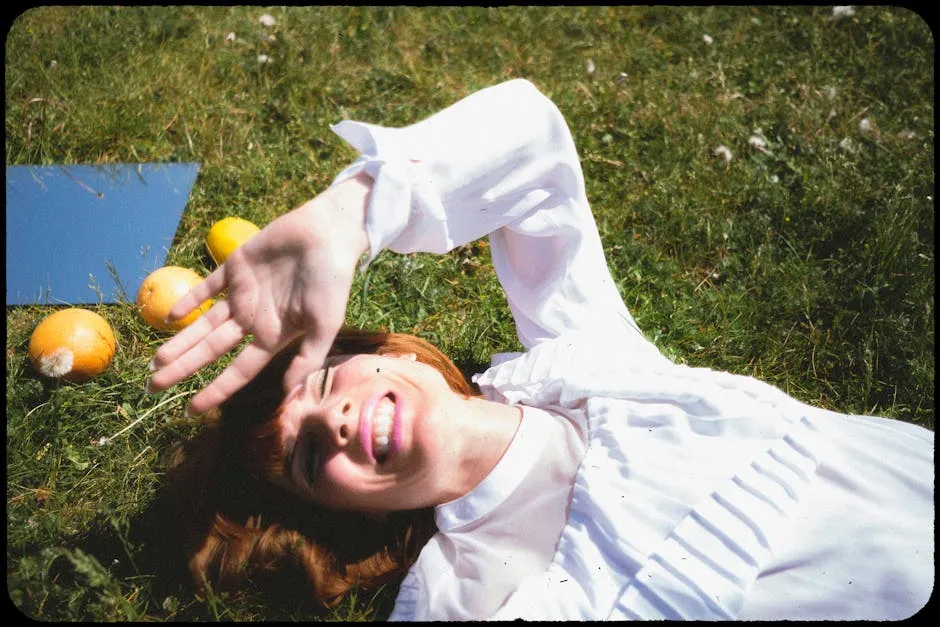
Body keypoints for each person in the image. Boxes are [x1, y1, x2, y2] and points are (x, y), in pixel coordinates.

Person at [147, 79, 934, 620]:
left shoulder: (587, 363)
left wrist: (349, 217)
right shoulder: (464, 595)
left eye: (321, 386)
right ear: (350, 515)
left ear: (402, 357)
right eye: (311, 458)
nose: (338, 422)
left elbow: (529, 137)